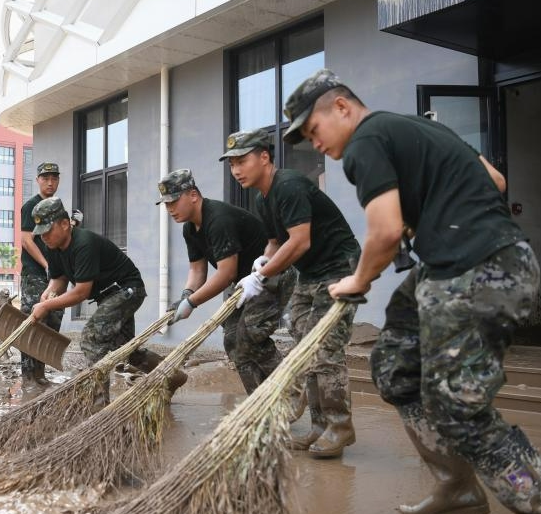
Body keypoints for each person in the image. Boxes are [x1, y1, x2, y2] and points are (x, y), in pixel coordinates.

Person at [284, 68, 541, 514]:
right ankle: (455, 484)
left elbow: (382, 233)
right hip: (459, 267)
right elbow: (495, 179)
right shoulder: (424, 129)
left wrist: (358, 280)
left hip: (481, 270)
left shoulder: (366, 141)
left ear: (342, 108)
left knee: (458, 404)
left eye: (313, 130)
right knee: (396, 367)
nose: (313, 144)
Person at [225, 129, 362, 458]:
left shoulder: (288, 185)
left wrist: (262, 274)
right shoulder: (262, 198)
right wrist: (263, 260)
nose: (237, 170)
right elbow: (275, 241)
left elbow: (300, 241)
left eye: (242, 161)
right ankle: (319, 426)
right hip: (311, 271)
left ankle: (340, 426)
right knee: (303, 345)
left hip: (340, 266)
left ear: (264, 157)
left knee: (323, 346)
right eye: (231, 165)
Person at [28, 197, 186, 402]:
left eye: (48, 231)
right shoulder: (53, 247)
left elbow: (81, 293)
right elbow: (60, 277)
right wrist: (47, 293)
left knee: (92, 339)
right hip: (108, 296)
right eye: (40, 233)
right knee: (127, 351)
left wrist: (46, 305)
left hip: (126, 290)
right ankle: (172, 376)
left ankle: (98, 403)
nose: (44, 237)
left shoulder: (83, 244)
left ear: (65, 224)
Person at [156, 168, 289, 396]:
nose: (169, 210)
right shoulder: (190, 228)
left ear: (193, 195)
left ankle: (288, 390)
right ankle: (259, 400)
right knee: (232, 341)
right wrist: (186, 295)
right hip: (242, 283)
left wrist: (192, 303)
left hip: (271, 275)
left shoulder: (218, 219)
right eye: (166, 205)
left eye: (174, 202)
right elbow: (197, 269)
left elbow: (226, 273)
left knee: (249, 335)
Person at [18, 162, 64, 387]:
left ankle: (41, 373)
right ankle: (28, 375)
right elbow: (26, 240)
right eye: (45, 178)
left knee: (51, 324)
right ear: (37, 180)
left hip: (56, 277)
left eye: (54, 178)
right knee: (33, 321)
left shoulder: (59, 208)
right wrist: (46, 264)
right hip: (35, 275)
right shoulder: (31, 206)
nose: (50, 182)